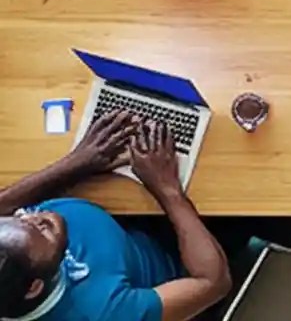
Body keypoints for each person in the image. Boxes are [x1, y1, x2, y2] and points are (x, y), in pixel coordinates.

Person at [0, 113, 231, 321]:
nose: (31, 215)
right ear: (34, 288)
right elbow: (213, 283)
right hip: (177, 249)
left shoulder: (19, 248)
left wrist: (77, 164)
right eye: (42, 229)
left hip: (120, 219)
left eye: (18, 217)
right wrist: (167, 189)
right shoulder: (104, 313)